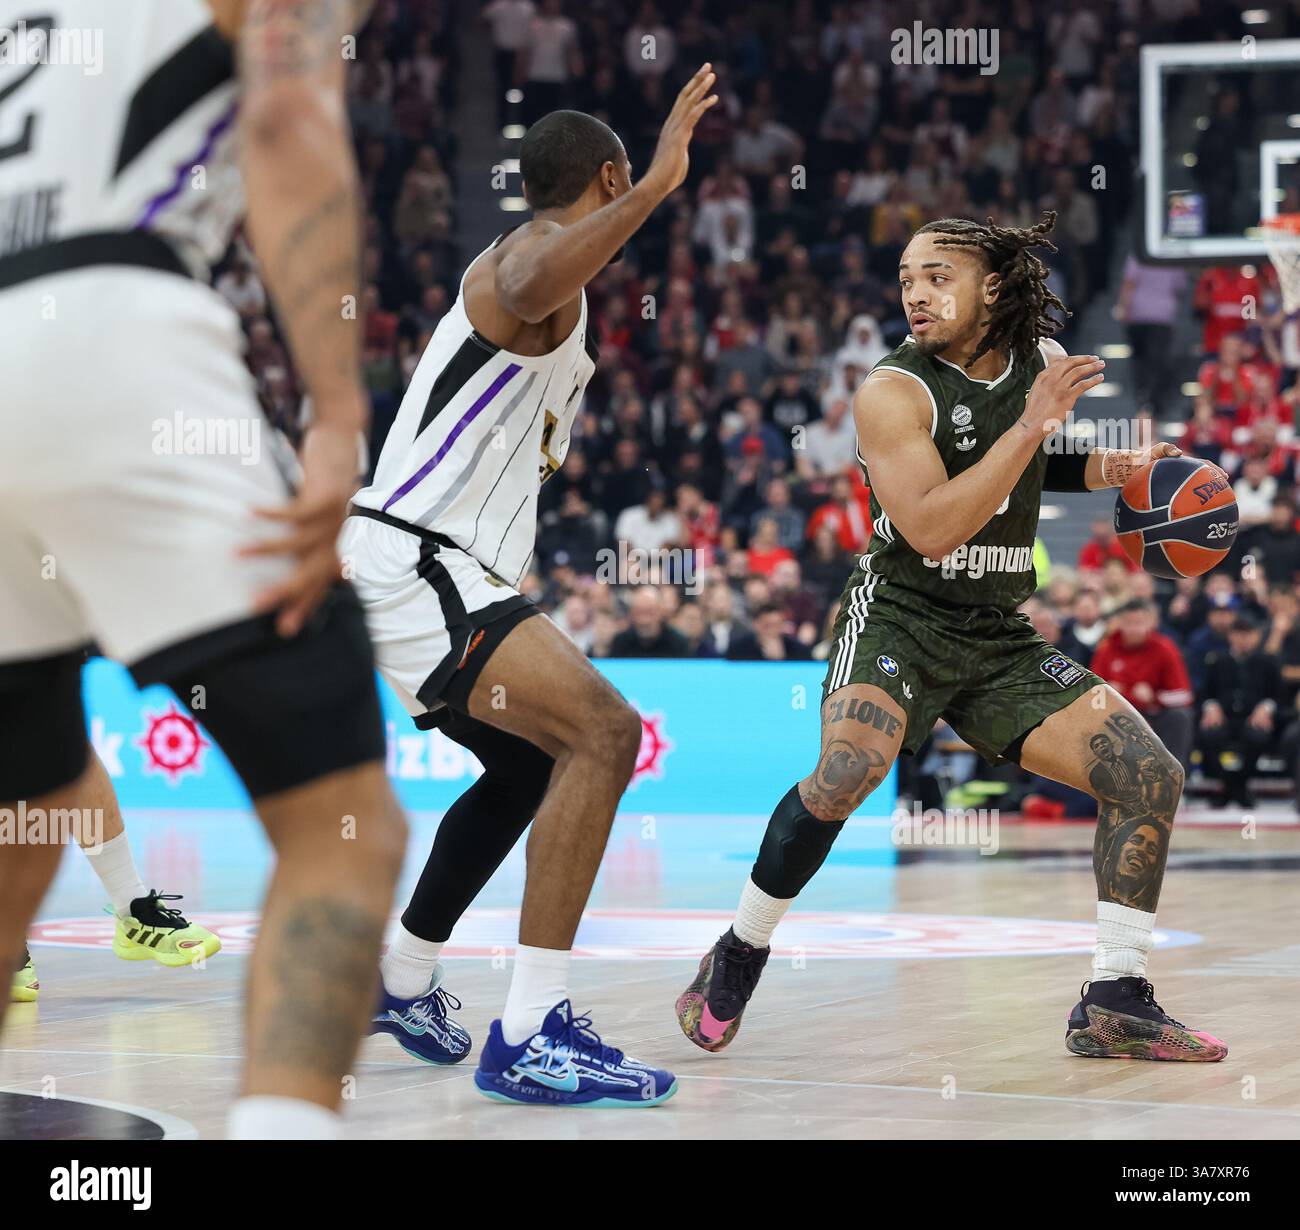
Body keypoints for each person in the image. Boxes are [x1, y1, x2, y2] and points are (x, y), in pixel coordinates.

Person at [676, 213, 1226, 1063]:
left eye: (937, 276)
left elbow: (1033, 459)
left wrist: (1099, 466)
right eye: (905, 279)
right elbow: (932, 526)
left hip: (994, 633)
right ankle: (741, 948)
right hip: (900, 612)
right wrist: (1033, 424)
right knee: (846, 772)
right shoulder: (891, 391)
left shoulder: (1035, 366)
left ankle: (1116, 995)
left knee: (1148, 772)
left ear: (993, 287)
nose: (916, 294)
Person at [0, 0, 410, 1139]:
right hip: (113, 336)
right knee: (343, 826)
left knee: (22, 814)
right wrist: (335, 414)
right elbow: (284, 115)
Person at [342, 72, 720, 1106]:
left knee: (521, 771)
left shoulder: (547, 274)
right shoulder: (519, 261)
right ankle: (529, 1031)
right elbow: (527, 280)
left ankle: (403, 978)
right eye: (620, 185)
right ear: (603, 176)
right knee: (604, 733)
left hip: (418, 562)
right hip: (421, 557)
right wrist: (658, 186)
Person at [1198, 617, 1283, 809]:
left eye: (1248, 634)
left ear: (1257, 636)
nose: (1243, 639)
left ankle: (1239, 785)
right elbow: (1204, 692)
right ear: (1230, 635)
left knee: (1258, 737)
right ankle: (1228, 785)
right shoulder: (1217, 660)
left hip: (1254, 717)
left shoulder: (1268, 661)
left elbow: (1279, 695)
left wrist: (1266, 707)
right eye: (1238, 633)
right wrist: (1211, 706)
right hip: (1224, 717)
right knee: (1207, 737)